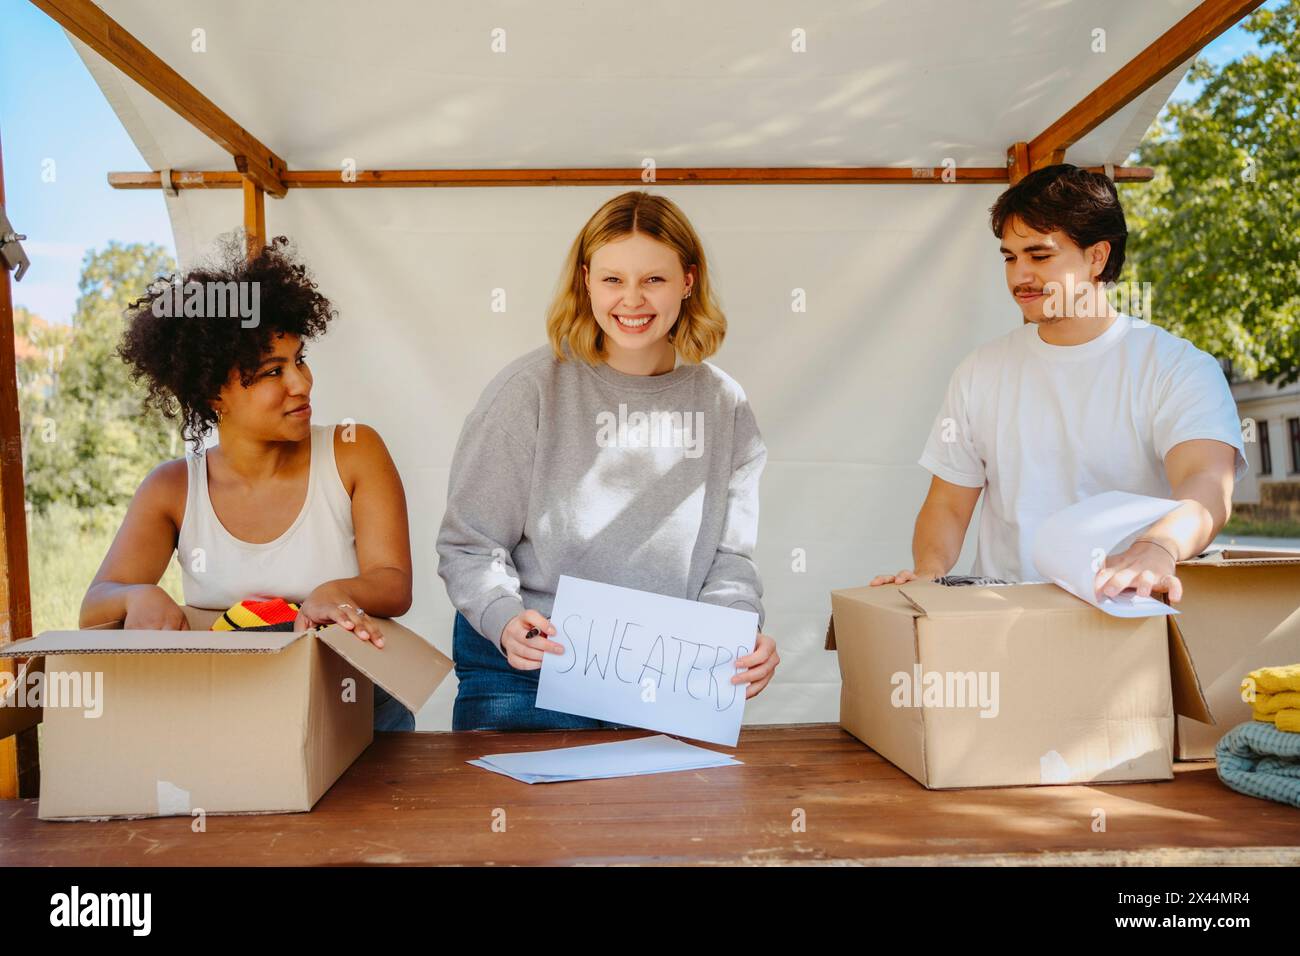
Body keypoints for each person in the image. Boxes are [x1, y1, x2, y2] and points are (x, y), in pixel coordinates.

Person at [437, 190, 779, 730]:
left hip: (665, 674)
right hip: (530, 674)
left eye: (654, 279)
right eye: (613, 279)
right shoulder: (529, 391)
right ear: (586, 280)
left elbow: (730, 559)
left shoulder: (724, 403)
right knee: (527, 817)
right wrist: (503, 620)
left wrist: (737, 634)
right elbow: (470, 543)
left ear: (688, 281)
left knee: (667, 818)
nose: (633, 300)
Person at [81, 235, 417, 731]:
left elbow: (394, 582)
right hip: (234, 712)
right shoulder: (173, 488)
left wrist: (336, 590)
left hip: (355, 709)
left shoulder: (353, 450)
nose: (301, 383)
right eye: (271, 371)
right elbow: (94, 606)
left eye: (300, 359)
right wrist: (135, 597)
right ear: (214, 392)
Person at [872, 164, 1246, 601]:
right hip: (1000, 621)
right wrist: (929, 572)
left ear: (1097, 257)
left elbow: (1205, 482)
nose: (1019, 276)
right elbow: (948, 505)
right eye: (1010, 257)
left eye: (1039, 255)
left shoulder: (1175, 367)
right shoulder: (980, 371)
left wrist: (1157, 547)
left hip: (1124, 615)